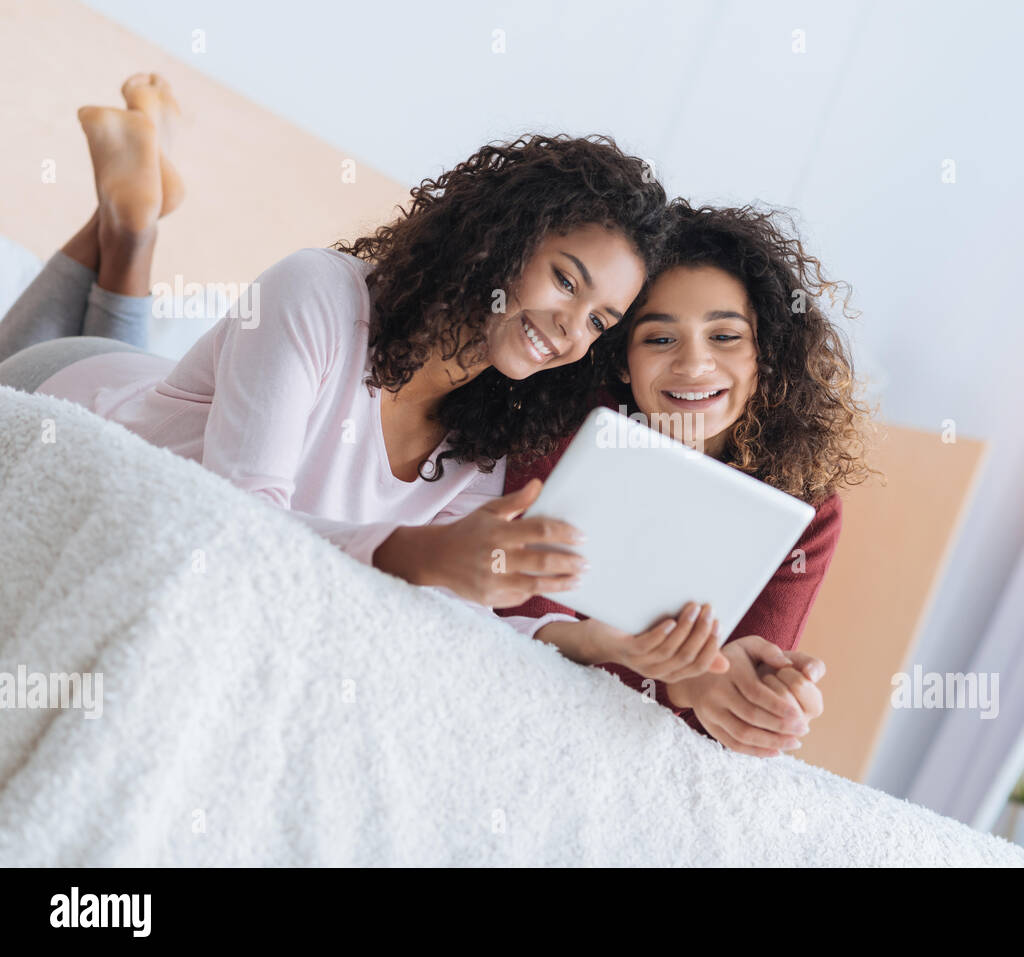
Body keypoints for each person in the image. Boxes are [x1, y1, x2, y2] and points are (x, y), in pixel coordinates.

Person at [0, 75, 729, 673]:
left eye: (602, 321)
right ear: (501, 237)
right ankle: (130, 226)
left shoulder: (482, 439)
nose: (574, 329)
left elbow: (461, 620)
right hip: (77, 388)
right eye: (567, 282)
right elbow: (233, 516)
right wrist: (417, 553)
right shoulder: (313, 290)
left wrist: (590, 642)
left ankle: (131, 212)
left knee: (176, 383)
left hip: (166, 405)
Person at [499, 201, 878, 756]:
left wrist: (764, 704)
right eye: (659, 339)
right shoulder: (568, 424)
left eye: (725, 337)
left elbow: (736, 689)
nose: (694, 365)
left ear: (764, 358)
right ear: (622, 362)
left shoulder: (807, 505)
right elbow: (509, 609)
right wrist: (682, 680)